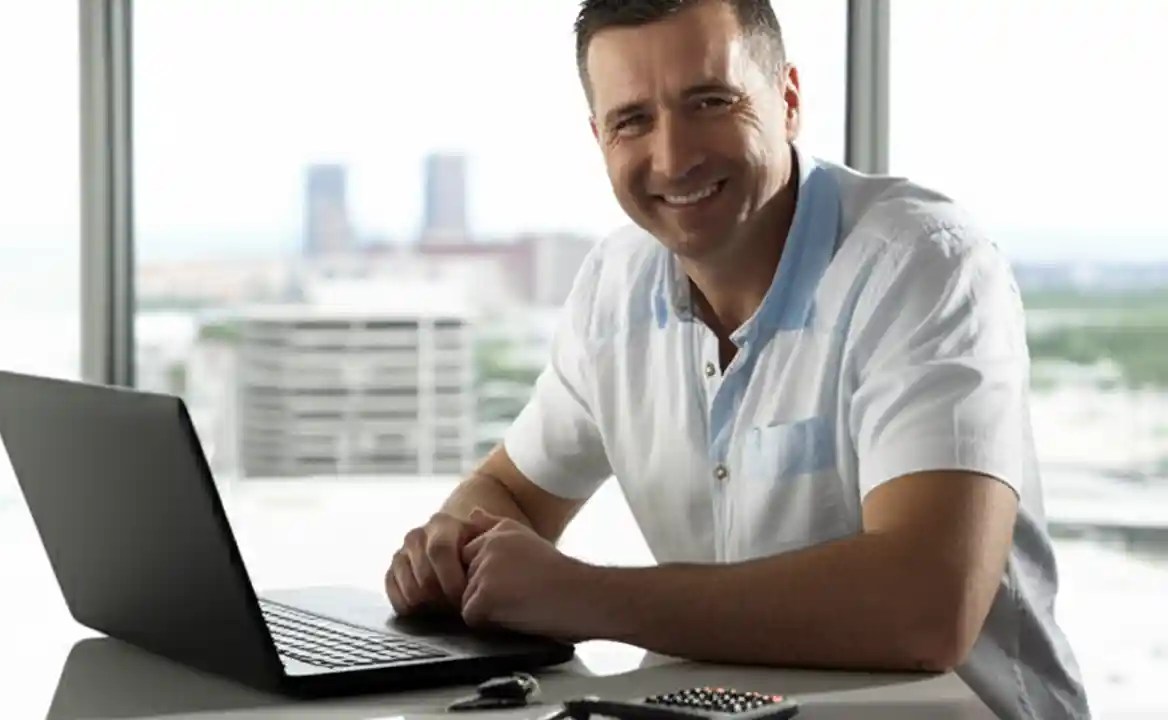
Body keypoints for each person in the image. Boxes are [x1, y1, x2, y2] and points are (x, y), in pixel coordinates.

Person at [383, 1, 1089, 718]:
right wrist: (452, 549)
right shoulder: (615, 284)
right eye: (632, 121)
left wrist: (581, 595)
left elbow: (927, 607)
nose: (673, 156)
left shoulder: (922, 264)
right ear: (599, 138)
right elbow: (511, 491)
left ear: (787, 101)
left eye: (710, 102)